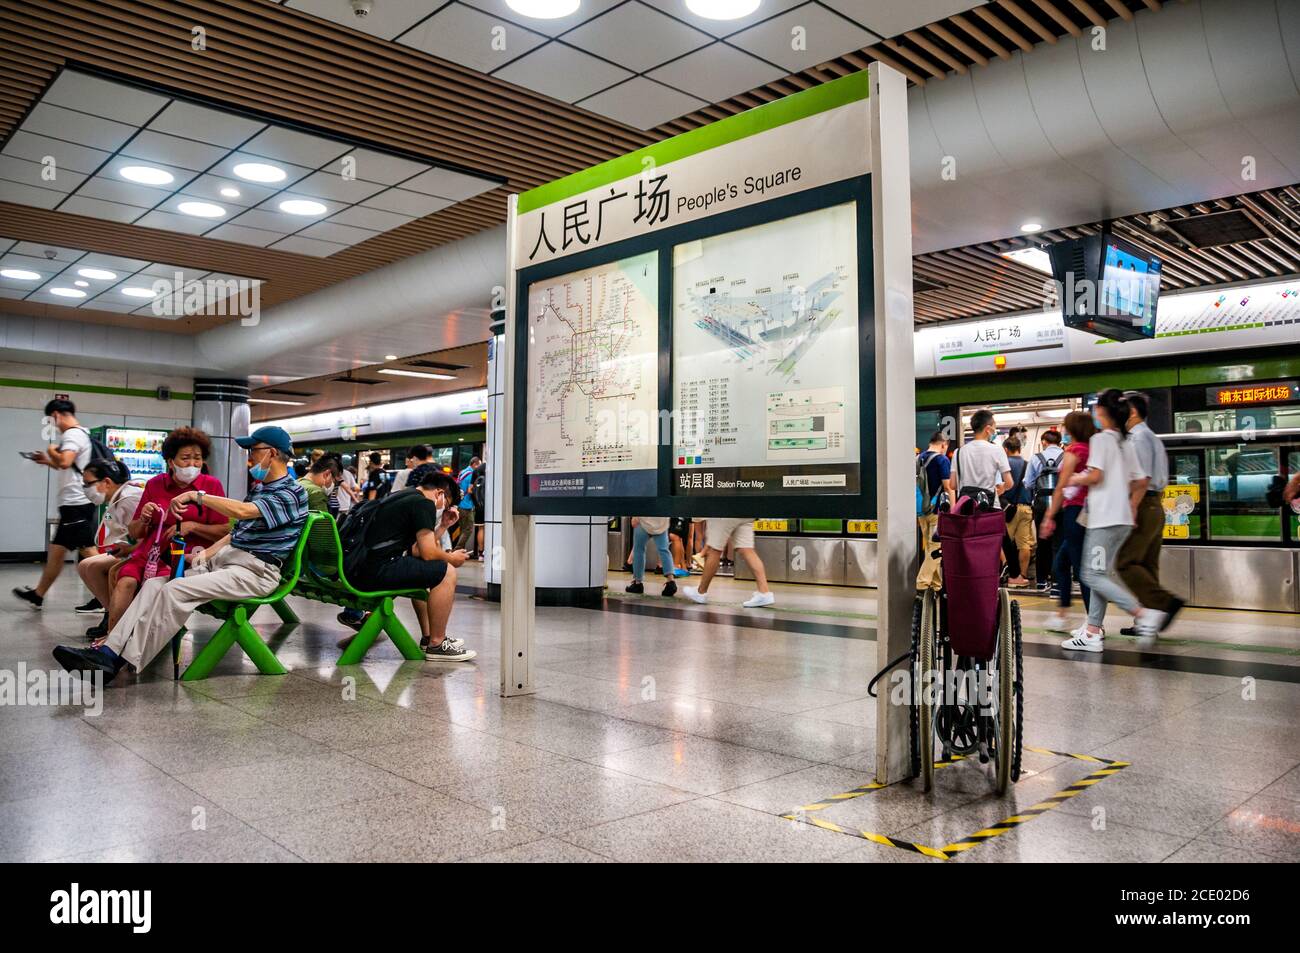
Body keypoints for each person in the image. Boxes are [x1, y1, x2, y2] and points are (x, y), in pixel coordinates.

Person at [51, 426, 311, 684]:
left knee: (175, 589)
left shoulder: (291, 492)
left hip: (255, 571)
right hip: (228, 561)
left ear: (272, 453)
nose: (249, 457)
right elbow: (236, 533)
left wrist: (197, 496)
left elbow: (243, 513)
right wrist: (205, 555)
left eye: (253, 451)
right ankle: (108, 650)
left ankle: (120, 660)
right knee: (154, 584)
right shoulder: (260, 488)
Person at [1059, 390, 1165, 653]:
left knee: (1090, 574)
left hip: (1103, 518)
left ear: (1102, 413)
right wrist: (1131, 505)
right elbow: (1141, 480)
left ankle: (1142, 613)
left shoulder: (1103, 440)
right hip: (1122, 520)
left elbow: (1095, 476)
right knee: (1100, 574)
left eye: (1096, 409)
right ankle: (1092, 631)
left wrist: (1074, 479)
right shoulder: (1125, 441)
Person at [105, 427, 227, 634]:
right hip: (152, 553)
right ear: (171, 462)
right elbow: (135, 533)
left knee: (155, 584)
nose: (192, 464)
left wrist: (194, 526)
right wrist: (144, 517)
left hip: (186, 556)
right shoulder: (155, 485)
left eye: (197, 458)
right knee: (126, 579)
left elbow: (224, 530)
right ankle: (112, 637)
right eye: (185, 458)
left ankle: (138, 637)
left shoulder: (211, 486)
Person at [345, 470, 474, 661]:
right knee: (446, 572)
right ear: (440, 494)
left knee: (422, 571)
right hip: (374, 571)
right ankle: (437, 645)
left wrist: (443, 526)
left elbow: (418, 551)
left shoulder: (403, 496)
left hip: (360, 569)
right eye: (447, 503)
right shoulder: (424, 504)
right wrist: (452, 558)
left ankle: (429, 637)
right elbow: (429, 553)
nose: (444, 508)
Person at [13, 399, 99, 609]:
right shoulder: (82, 433)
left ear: (57, 415)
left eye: (52, 420)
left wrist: (52, 450)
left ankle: (109, 591)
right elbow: (69, 466)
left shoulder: (72, 434)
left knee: (88, 551)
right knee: (57, 551)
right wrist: (47, 460)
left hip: (76, 503)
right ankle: (38, 594)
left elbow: (65, 461)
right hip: (75, 503)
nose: (54, 424)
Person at [1116, 391, 1184, 643]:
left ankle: (1166, 603)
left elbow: (1141, 478)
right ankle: (1148, 621)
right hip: (1155, 504)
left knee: (1124, 562)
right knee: (1146, 564)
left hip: (1143, 503)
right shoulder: (1151, 436)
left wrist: (1132, 508)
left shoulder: (1138, 437)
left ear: (1132, 412)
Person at [76, 459, 146, 639]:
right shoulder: (118, 500)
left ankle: (118, 618)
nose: (85, 489)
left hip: (147, 554)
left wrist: (128, 549)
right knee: (86, 565)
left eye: (88, 484)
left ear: (106, 482)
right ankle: (111, 612)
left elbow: (151, 538)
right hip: (134, 551)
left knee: (94, 567)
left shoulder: (129, 500)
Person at [1040, 413, 1095, 634]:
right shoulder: (1092, 449)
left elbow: (1061, 486)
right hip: (1089, 511)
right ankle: (1062, 615)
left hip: (1075, 512)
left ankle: (1093, 624)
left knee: (1081, 568)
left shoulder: (1074, 451)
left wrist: (1049, 516)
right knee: (1062, 563)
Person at [681, 519, 773, 607]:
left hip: (724, 512)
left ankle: (700, 591)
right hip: (745, 511)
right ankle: (764, 592)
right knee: (747, 549)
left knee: (714, 550)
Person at [947, 409, 1012, 510]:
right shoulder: (997, 450)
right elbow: (1009, 483)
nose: (995, 431)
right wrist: (1002, 488)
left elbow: (952, 484)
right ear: (988, 428)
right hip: (989, 508)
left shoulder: (958, 452)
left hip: (965, 509)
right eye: (994, 428)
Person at [1024, 430, 1065, 592]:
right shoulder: (1066, 457)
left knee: (1042, 544)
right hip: (1061, 504)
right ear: (1060, 442)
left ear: (1044, 442)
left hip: (1041, 504)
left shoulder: (1036, 458)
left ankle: (1041, 581)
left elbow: (1028, 483)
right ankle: (1057, 583)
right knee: (1058, 544)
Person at [915, 431, 950, 592]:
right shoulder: (942, 460)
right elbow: (948, 486)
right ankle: (922, 582)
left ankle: (936, 585)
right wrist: (953, 510)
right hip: (937, 511)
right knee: (937, 548)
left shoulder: (918, 458)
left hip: (921, 511)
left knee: (930, 547)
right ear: (943, 444)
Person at [1001, 435, 1034, 588]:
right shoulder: (1029, 464)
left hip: (1008, 510)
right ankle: (1022, 576)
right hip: (1026, 508)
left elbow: (1000, 487)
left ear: (1006, 449)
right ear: (1020, 449)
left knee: (1002, 543)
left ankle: (1007, 572)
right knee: (1025, 544)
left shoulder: (1004, 464)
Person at [626, 516, 677, 597]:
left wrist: (635, 515)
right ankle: (671, 581)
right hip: (661, 522)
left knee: (639, 550)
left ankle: (637, 583)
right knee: (664, 550)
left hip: (644, 520)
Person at [455, 456, 479, 553]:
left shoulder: (463, 472)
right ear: (474, 464)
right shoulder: (471, 474)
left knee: (463, 529)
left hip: (459, 503)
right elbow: (469, 490)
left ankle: (460, 552)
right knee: (468, 529)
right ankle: (458, 549)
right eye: (479, 465)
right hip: (466, 505)